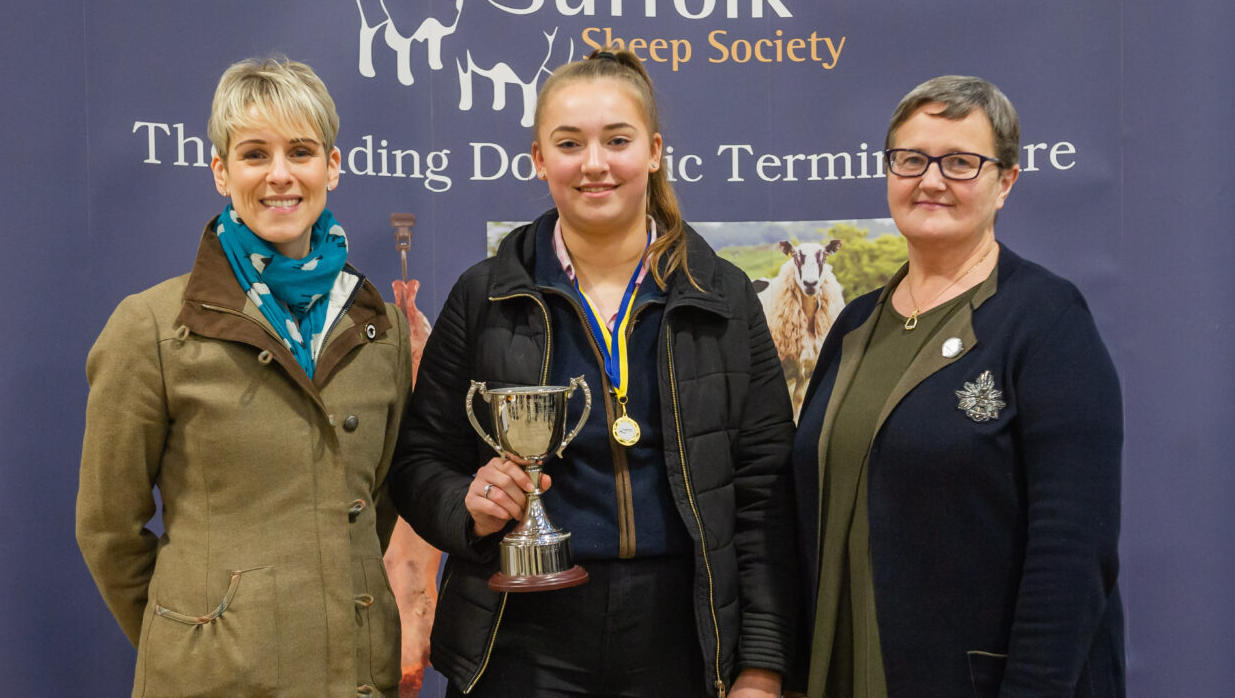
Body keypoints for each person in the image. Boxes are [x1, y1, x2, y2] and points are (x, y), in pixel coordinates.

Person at [389, 47, 798, 698]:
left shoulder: (722, 296)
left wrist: (761, 661)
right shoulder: (484, 295)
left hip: (683, 634)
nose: (595, 163)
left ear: (655, 150)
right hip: (520, 633)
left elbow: (765, 491)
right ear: (538, 159)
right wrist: (466, 505)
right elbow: (418, 462)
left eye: (617, 140)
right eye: (570, 143)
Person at [76, 57, 411, 698]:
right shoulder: (150, 326)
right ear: (221, 171)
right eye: (255, 153)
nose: (279, 175)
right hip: (213, 680)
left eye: (301, 152)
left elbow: (380, 503)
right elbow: (106, 528)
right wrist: (195, 635)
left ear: (332, 168)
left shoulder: (382, 328)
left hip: (358, 675)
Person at [790, 75, 1124, 697]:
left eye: (961, 163)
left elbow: (1074, 553)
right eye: (911, 159)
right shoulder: (855, 324)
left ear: (1006, 182)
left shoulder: (1047, 320)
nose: (931, 179)